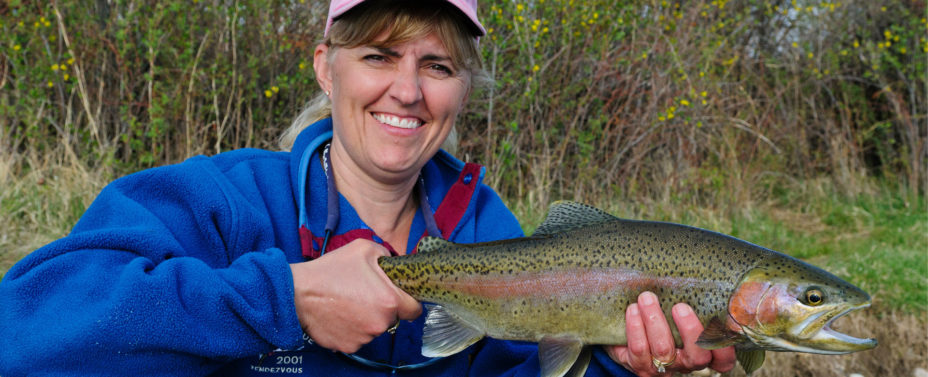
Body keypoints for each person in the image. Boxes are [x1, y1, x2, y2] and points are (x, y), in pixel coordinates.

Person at [0, 0, 735, 376]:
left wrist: (616, 362)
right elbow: (24, 334)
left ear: (463, 89)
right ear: (326, 66)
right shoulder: (222, 202)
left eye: (439, 66)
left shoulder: (495, 234)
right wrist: (281, 299)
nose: (408, 90)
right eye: (380, 54)